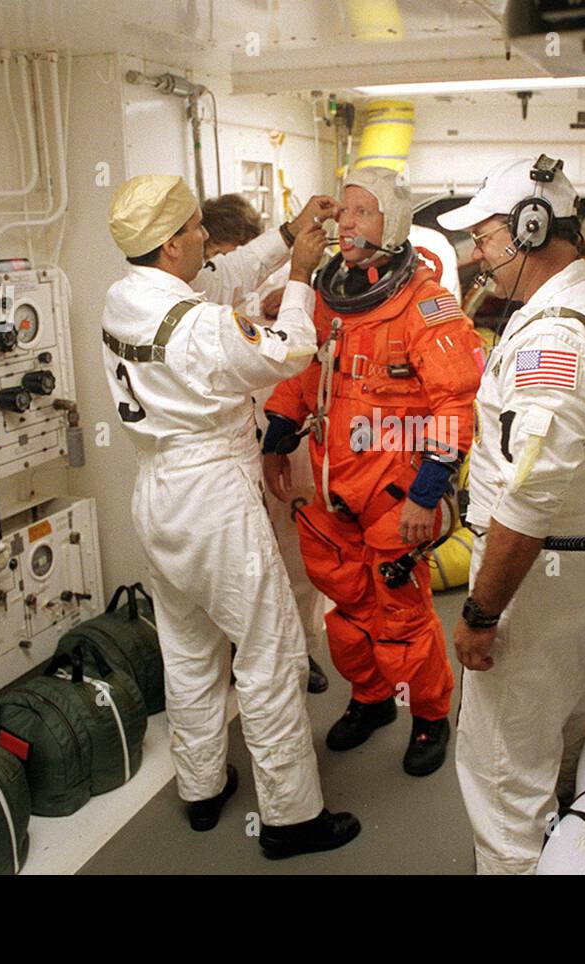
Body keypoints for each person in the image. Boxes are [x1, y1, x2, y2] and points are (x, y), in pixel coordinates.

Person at [102, 173, 358, 858]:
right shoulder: (203, 328)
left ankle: (202, 786)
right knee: (269, 654)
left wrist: (284, 232)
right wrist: (301, 274)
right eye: (192, 232)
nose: (204, 242)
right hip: (213, 497)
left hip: (156, 497)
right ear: (167, 247)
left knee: (187, 650)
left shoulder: (124, 300)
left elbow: (221, 273)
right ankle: (291, 818)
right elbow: (291, 349)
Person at [436, 156, 585, 874]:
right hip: (583, 565)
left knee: (501, 771)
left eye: (488, 240)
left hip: (536, 573)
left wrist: (482, 614)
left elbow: (528, 499)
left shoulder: (554, 336)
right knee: (561, 728)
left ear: (531, 228)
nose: (479, 259)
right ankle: (569, 853)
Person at [262, 167, 484, 777]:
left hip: (396, 492)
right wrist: (278, 437)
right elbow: (304, 373)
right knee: (346, 606)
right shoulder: (325, 300)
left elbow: (453, 407)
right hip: (333, 490)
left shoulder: (426, 306)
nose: (346, 222)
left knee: (402, 612)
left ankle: (431, 715)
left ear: (394, 223)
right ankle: (370, 698)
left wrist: (426, 496)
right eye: (344, 212)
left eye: (363, 211)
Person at [200, 194, 330, 696]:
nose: (223, 263)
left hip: (285, 433)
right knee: (242, 558)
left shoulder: (292, 282)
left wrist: (304, 303)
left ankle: (303, 650)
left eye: (229, 250)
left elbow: (312, 347)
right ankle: (243, 649)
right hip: (231, 443)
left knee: (297, 553)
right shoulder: (202, 296)